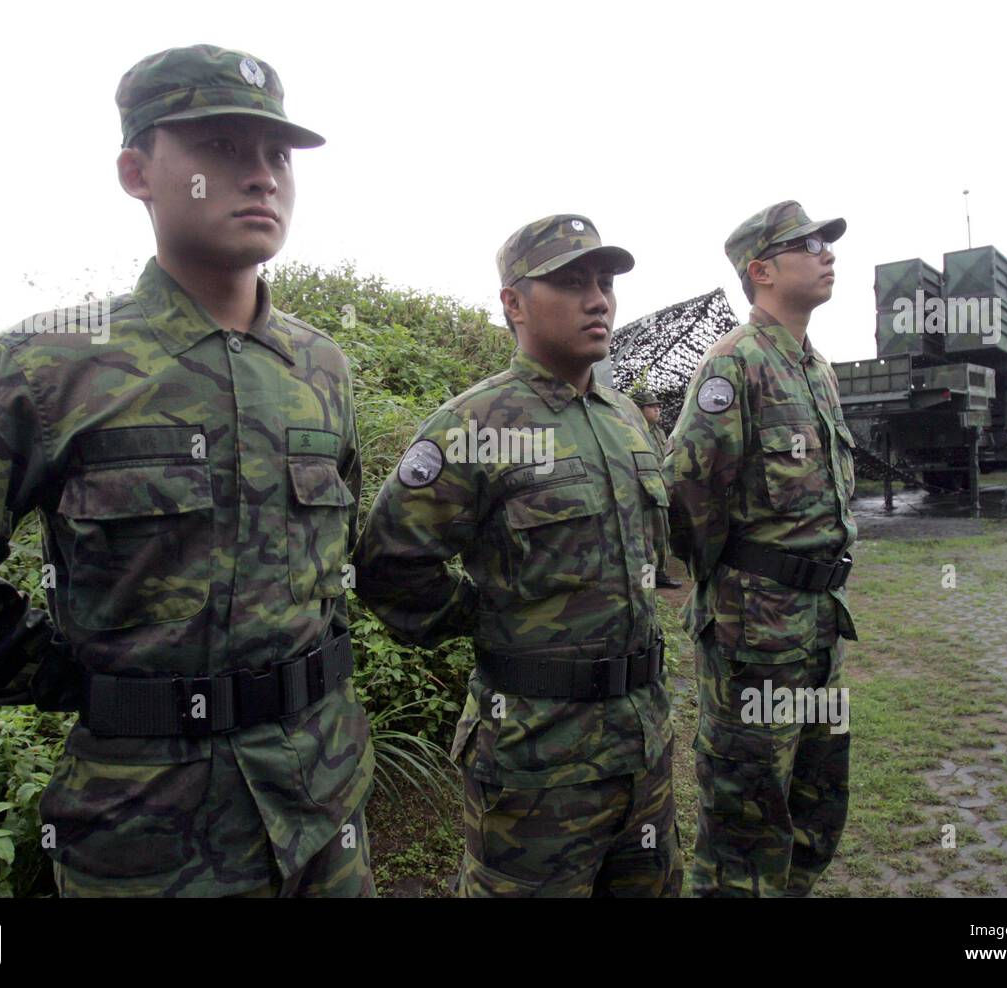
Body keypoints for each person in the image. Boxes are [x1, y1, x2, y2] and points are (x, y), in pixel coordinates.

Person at [0, 44, 374, 897]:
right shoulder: (48, 366)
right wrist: (61, 670)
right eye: (221, 149)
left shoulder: (322, 370)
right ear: (137, 171)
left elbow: (330, 572)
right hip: (148, 836)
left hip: (325, 803)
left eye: (277, 154)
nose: (261, 176)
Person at [352, 214, 680, 897]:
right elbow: (389, 562)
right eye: (570, 281)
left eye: (604, 282)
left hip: (642, 747)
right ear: (513, 303)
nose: (598, 299)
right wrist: (481, 617)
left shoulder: (625, 422)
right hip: (536, 759)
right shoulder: (476, 425)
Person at [665, 200, 858, 897]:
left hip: (819, 628)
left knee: (817, 807)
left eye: (826, 244)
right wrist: (738, 579)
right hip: (755, 639)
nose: (827, 253)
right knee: (746, 827)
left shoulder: (817, 370)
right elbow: (687, 494)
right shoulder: (734, 366)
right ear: (763, 270)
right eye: (809, 244)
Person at [631, 390, 684, 588]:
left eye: (658, 406)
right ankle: (647, 582)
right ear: (639, 409)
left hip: (660, 490)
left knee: (662, 535)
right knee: (646, 538)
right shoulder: (632, 430)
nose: (657, 409)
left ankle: (659, 574)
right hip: (644, 492)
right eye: (652, 406)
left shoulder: (658, 432)